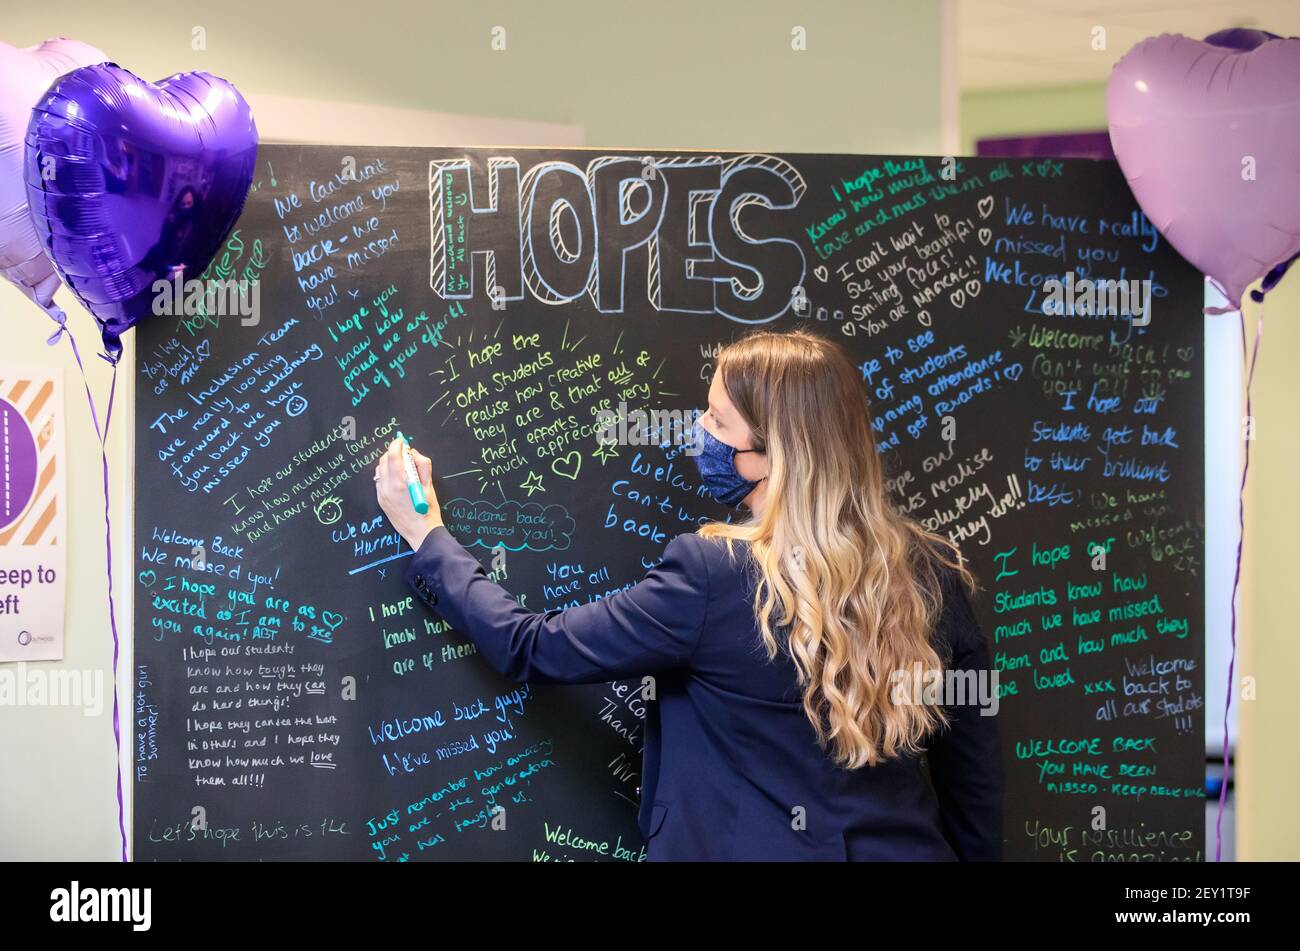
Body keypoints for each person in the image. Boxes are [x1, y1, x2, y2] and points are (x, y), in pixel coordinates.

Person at [374, 328, 1003, 861]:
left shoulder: (715, 575)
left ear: (770, 457)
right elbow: (971, 770)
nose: (697, 432)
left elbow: (534, 648)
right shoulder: (930, 573)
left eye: (716, 421)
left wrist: (426, 535)